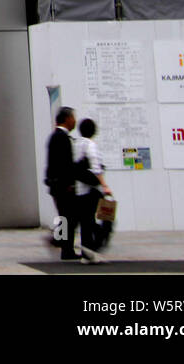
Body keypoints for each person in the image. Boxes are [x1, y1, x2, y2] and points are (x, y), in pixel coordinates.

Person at [44, 106, 98, 261]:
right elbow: (64, 165)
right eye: (73, 117)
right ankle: (61, 243)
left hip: (58, 184)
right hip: (62, 185)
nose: (74, 121)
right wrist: (79, 167)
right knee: (68, 217)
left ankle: (64, 247)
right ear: (67, 119)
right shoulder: (61, 138)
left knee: (67, 217)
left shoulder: (57, 136)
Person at [74, 118, 112, 263]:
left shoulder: (76, 144)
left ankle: (86, 254)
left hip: (79, 190)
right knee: (106, 216)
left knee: (86, 221)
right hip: (92, 190)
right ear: (94, 131)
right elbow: (96, 168)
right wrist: (105, 186)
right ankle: (95, 247)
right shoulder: (90, 145)